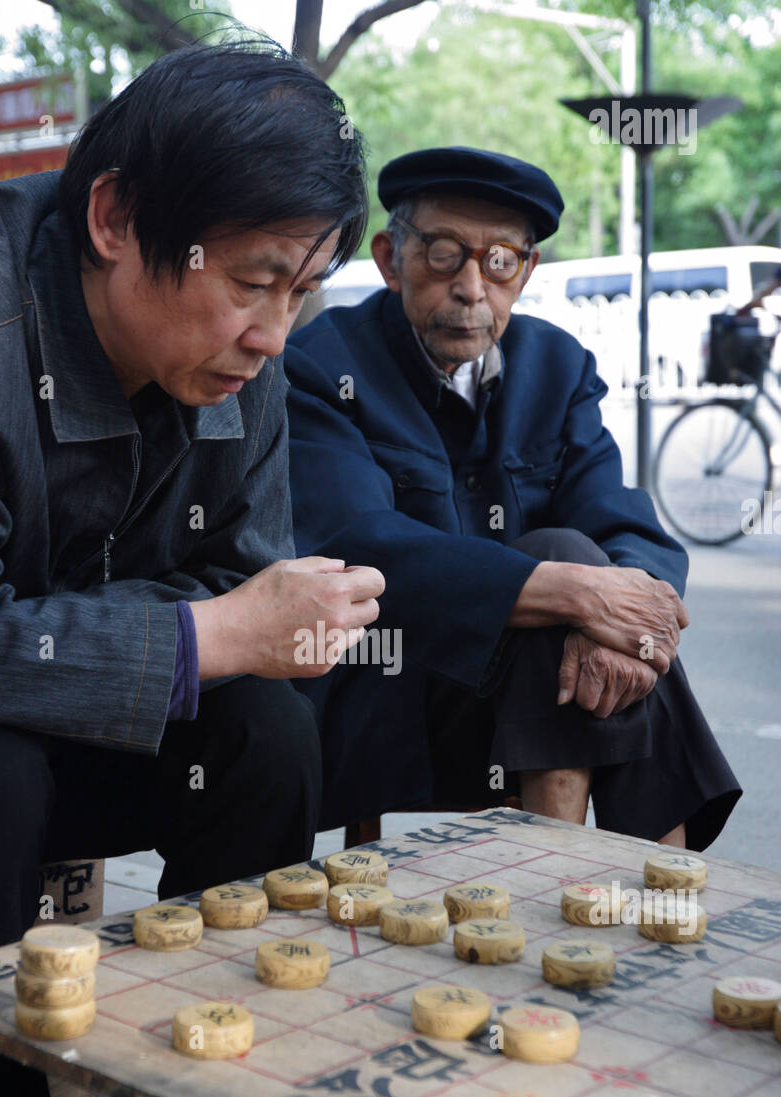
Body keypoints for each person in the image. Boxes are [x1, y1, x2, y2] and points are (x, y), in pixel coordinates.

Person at [0, 39, 383, 1097]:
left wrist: (221, 635)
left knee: (266, 733)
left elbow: (238, 568)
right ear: (115, 217)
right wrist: (202, 633)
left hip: (74, 716)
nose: (271, 333)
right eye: (251, 281)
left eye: (303, 289)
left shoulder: (242, 356)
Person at [286, 147, 741, 844]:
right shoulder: (324, 363)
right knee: (565, 576)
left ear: (524, 272)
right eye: (443, 254)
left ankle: (590, 878)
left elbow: (621, 520)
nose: (472, 287)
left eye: (501, 260)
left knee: (593, 589)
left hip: (542, 692)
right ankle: (650, 887)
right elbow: (357, 546)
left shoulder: (556, 367)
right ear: (388, 257)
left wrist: (623, 625)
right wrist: (567, 593)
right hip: (392, 694)